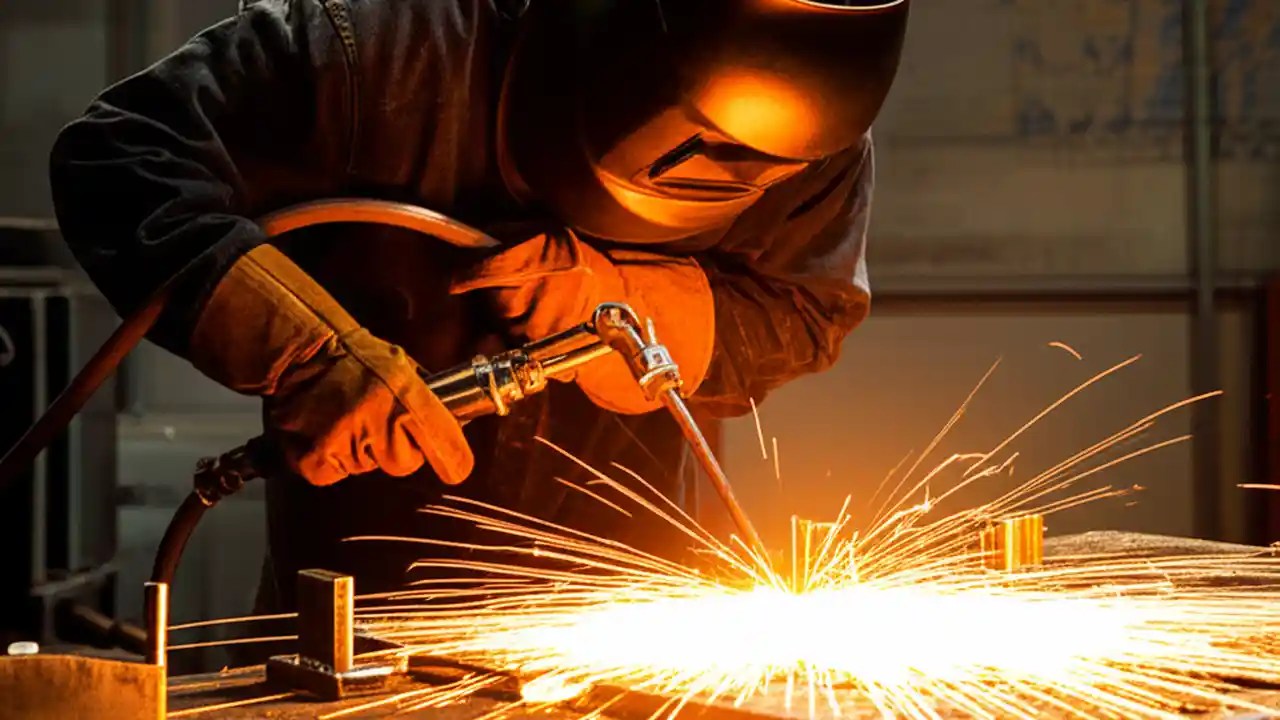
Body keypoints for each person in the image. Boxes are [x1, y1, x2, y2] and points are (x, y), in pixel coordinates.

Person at [48, 0, 908, 618]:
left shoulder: (812, 134)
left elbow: (804, 313)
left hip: (631, 615)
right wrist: (307, 350)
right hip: (362, 608)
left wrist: (637, 298)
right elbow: (121, 155)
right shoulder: (368, 48)